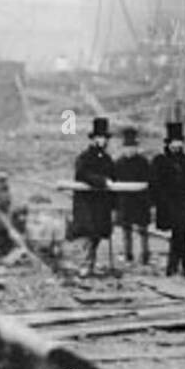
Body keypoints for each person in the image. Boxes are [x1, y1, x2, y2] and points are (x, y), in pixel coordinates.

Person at [151, 121, 185, 278]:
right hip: (168, 203)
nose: (177, 145)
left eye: (179, 142)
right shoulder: (160, 160)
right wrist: (159, 200)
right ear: (168, 143)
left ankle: (174, 267)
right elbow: (154, 182)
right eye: (174, 142)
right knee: (180, 234)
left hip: (183, 203)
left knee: (179, 234)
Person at [69, 117, 115, 278]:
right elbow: (82, 173)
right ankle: (85, 265)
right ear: (94, 139)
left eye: (104, 138)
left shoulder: (108, 159)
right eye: (99, 138)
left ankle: (91, 265)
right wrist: (102, 181)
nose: (101, 141)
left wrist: (114, 203)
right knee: (88, 235)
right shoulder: (85, 157)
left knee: (97, 236)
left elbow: (113, 178)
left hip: (101, 205)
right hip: (87, 203)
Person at [113, 127, 151, 266]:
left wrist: (150, 203)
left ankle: (145, 255)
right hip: (124, 202)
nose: (130, 151)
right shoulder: (118, 163)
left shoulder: (143, 162)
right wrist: (114, 205)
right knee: (126, 230)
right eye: (127, 148)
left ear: (137, 148)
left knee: (143, 230)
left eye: (133, 148)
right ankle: (128, 255)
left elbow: (150, 182)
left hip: (141, 202)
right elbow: (114, 184)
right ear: (123, 149)